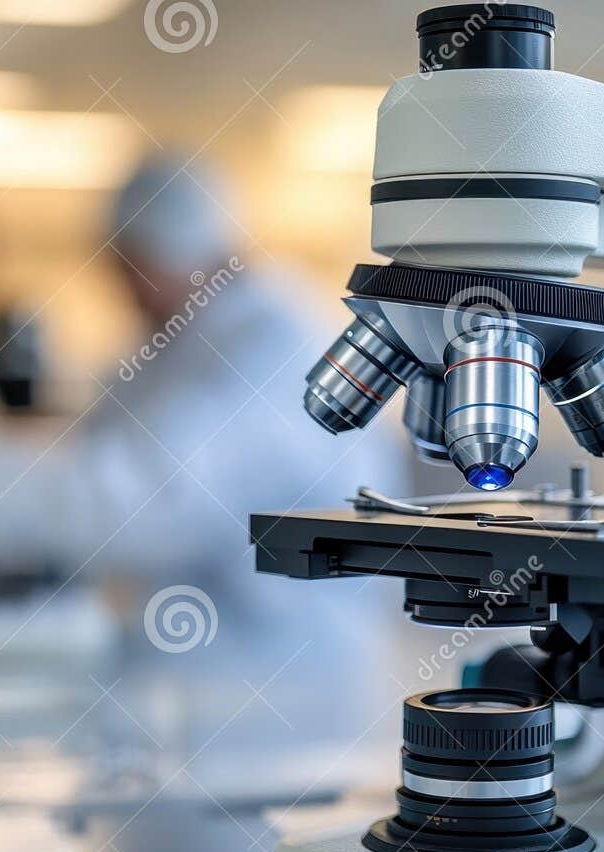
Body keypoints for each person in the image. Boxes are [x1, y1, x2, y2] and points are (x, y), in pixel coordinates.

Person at [43, 156, 407, 757]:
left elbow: (156, 497)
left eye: (124, 265)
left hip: (281, 682)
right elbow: (100, 446)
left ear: (161, 254)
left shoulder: (276, 338)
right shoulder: (183, 338)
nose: (120, 289)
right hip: (200, 682)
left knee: (246, 844)